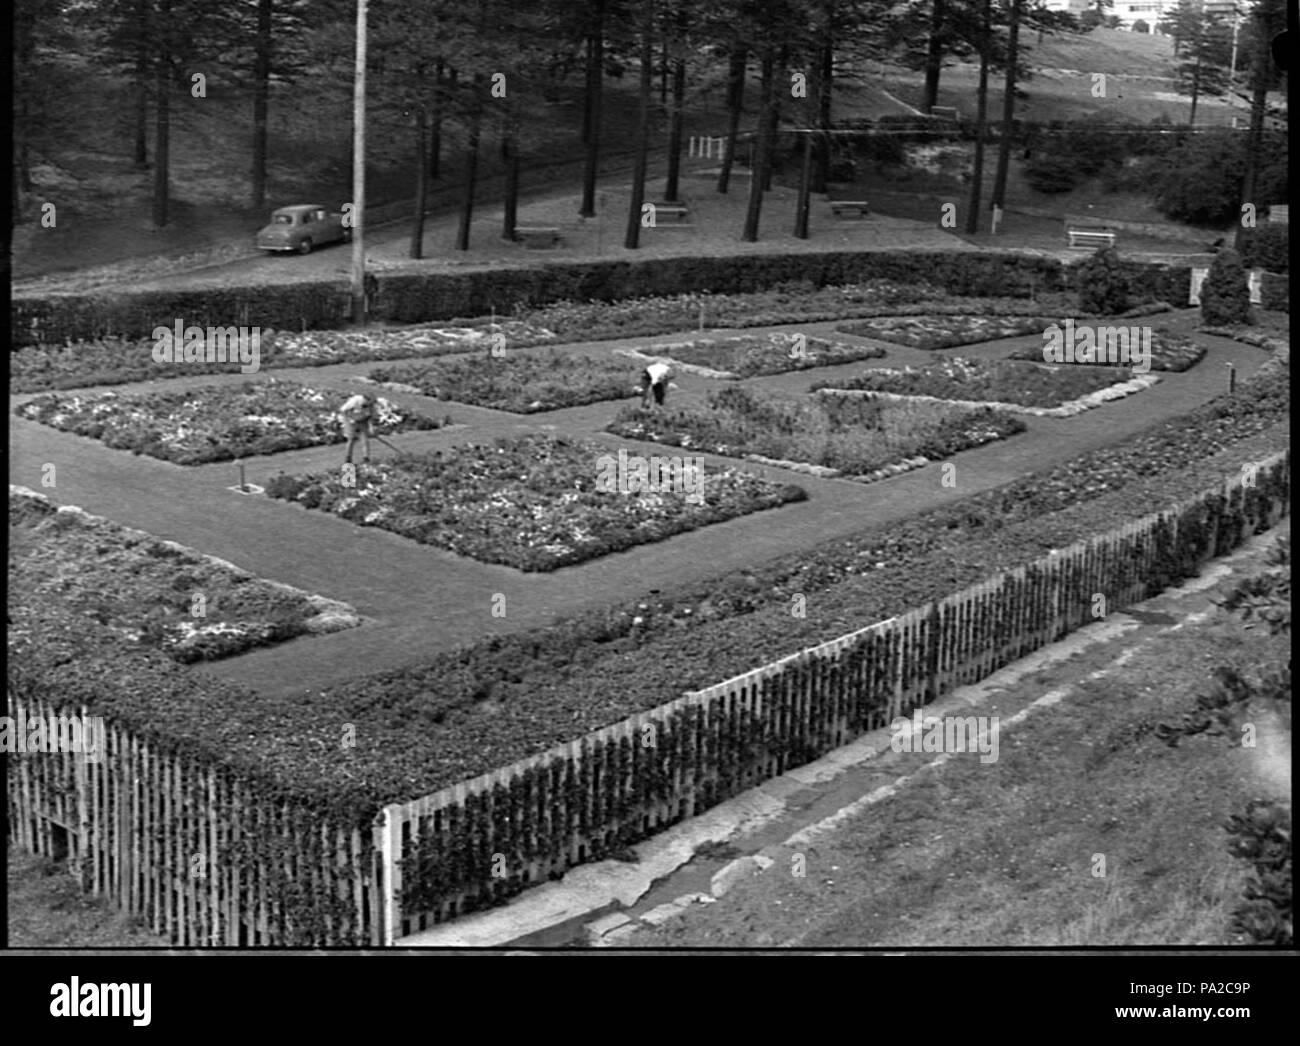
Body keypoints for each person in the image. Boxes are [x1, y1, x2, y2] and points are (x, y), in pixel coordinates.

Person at [338, 391, 376, 465]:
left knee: (365, 440)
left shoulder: (371, 405)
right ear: (365, 398)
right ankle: (348, 458)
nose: (370, 404)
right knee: (351, 439)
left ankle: (366, 458)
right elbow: (343, 410)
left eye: (371, 403)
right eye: (368, 402)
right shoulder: (355, 400)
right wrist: (350, 420)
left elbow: (370, 416)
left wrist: (371, 427)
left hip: (363, 421)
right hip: (351, 421)